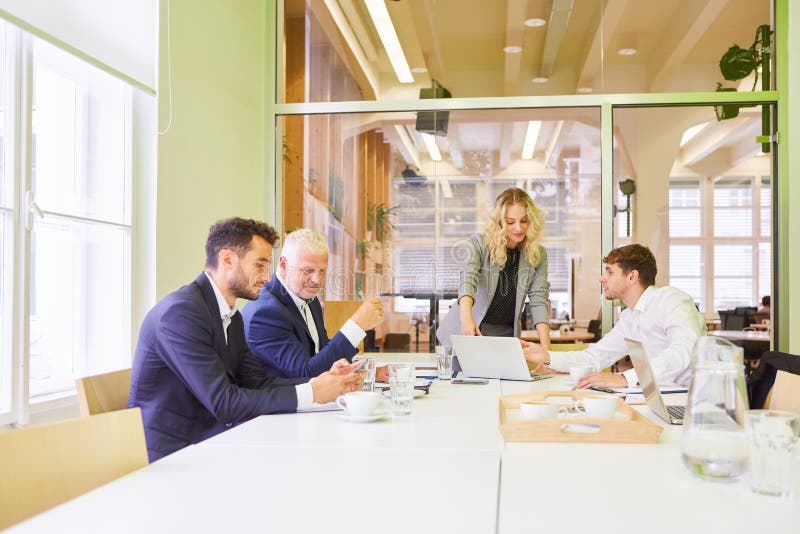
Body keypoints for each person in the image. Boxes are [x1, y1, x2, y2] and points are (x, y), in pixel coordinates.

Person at [128, 218, 362, 462]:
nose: (267, 277)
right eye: (259, 265)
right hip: (173, 456)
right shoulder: (180, 314)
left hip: (214, 439)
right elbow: (225, 403)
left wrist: (322, 382)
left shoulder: (231, 316)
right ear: (227, 259)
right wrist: (312, 393)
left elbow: (257, 382)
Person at [522, 244, 706, 388]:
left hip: (697, 401)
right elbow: (594, 357)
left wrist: (624, 379)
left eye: (610, 271)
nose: (602, 278)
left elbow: (683, 351)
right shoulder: (629, 318)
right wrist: (547, 357)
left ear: (632, 276)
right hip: (664, 399)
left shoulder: (671, 300)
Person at [242, 228, 389, 382]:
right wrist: (357, 325)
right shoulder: (265, 312)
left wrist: (371, 373)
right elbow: (306, 374)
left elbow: (323, 357)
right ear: (284, 264)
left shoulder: (309, 299)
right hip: (286, 397)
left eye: (322, 271)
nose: (317, 280)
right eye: (308, 270)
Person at [437, 187, 551, 348]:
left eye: (524, 221)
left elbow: (538, 299)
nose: (518, 228)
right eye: (510, 222)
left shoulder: (538, 254)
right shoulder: (478, 243)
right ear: (499, 221)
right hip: (469, 327)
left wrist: (547, 351)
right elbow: (468, 280)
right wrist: (466, 319)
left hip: (505, 335)